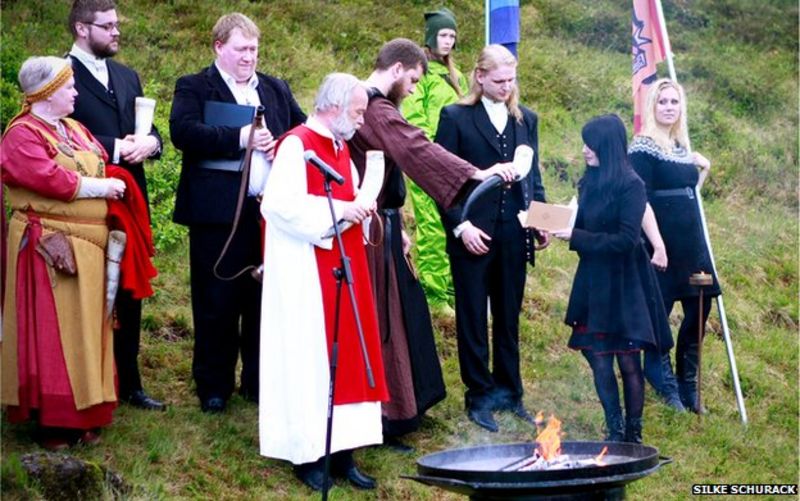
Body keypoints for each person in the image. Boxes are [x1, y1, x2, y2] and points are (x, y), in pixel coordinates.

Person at [348, 38, 517, 440]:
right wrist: (473, 173)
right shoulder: (374, 106)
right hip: (365, 232)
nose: (412, 88)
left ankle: (400, 412)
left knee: (403, 319)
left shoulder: (371, 104)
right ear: (395, 69)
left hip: (384, 226)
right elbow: (414, 146)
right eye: (411, 80)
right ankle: (385, 418)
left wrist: (399, 225)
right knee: (382, 323)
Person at [170, 12, 306, 413]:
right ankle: (214, 384)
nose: (250, 57)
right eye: (242, 49)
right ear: (219, 47)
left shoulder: (276, 89)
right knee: (217, 299)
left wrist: (280, 144)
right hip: (218, 215)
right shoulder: (196, 86)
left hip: (268, 213)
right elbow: (184, 132)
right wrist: (240, 137)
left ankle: (258, 380)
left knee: (264, 298)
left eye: (254, 49)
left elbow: (301, 131)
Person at [259, 73, 385, 492]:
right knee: (310, 359)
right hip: (305, 269)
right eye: (357, 112)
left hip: (344, 267)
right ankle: (309, 454)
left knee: (347, 357)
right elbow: (278, 206)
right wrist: (338, 216)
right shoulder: (297, 144)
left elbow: (349, 199)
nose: (361, 121)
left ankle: (344, 451)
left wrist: (360, 212)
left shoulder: (340, 147)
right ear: (333, 105)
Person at [1, 56, 125, 449]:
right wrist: (101, 190)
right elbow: (49, 178)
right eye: (69, 86)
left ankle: (86, 412)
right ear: (48, 92)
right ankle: (55, 421)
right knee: (58, 332)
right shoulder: (22, 135)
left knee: (88, 330)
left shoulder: (74, 128)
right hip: (50, 247)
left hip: (91, 247)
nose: (75, 92)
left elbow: (102, 163)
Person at [435, 44, 548, 433]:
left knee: (508, 315)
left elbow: (533, 177)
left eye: (511, 80)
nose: (506, 87)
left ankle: (509, 393)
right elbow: (441, 181)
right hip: (472, 232)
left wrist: (541, 220)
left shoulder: (525, 119)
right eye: (499, 80)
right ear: (479, 76)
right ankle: (479, 396)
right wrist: (460, 226)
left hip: (514, 235)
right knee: (471, 316)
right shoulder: (455, 117)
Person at [67, 0, 164, 411]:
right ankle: (88, 378)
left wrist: (152, 142)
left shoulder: (127, 75)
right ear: (81, 29)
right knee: (89, 288)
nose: (116, 32)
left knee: (129, 286)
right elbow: (60, 133)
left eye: (117, 24)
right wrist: (114, 148)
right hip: (85, 196)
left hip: (131, 195)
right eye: (106, 25)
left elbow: (145, 127)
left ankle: (129, 380)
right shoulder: (60, 75)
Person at [552, 114, 672, 444]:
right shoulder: (588, 181)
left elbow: (625, 240)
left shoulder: (631, 184)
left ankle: (633, 434)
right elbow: (585, 224)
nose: (584, 150)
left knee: (628, 361)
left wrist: (575, 237)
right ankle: (614, 427)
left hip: (624, 284)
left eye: (589, 144)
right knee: (598, 358)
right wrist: (554, 223)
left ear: (606, 145)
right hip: (594, 281)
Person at [629, 79, 720, 414]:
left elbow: (688, 194)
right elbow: (640, 199)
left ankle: (688, 383)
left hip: (692, 244)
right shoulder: (642, 147)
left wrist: (703, 170)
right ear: (652, 107)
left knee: (700, 307)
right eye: (663, 102)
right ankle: (663, 381)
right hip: (662, 243)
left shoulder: (682, 146)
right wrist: (656, 244)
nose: (669, 107)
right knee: (659, 311)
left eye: (674, 102)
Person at [401, 7, 468, 306]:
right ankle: (433, 293)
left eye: (452, 35)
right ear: (430, 37)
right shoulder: (421, 73)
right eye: (443, 34)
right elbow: (415, 117)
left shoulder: (458, 77)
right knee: (432, 226)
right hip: (427, 162)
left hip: (456, 165)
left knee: (459, 224)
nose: (448, 41)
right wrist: (430, 154)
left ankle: (455, 289)